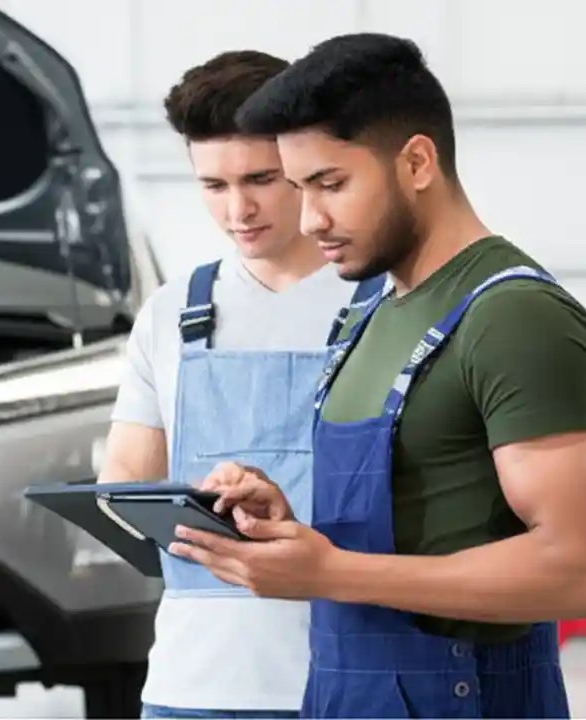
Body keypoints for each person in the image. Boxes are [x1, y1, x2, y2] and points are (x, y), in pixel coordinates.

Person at [168, 33, 586, 718]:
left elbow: (584, 572)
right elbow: (420, 521)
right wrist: (289, 528)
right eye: (299, 188)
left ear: (416, 162)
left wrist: (334, 572)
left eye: (332, 184)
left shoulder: (516, 318)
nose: (311, 219)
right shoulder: (373, 313)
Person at [97, 49, 381, 719]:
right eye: (213, 185)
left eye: (260, 179)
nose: (238, 209)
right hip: (190, 687)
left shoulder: (389, 305)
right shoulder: (171, 314)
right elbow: (126, 485)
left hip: (348, 678)